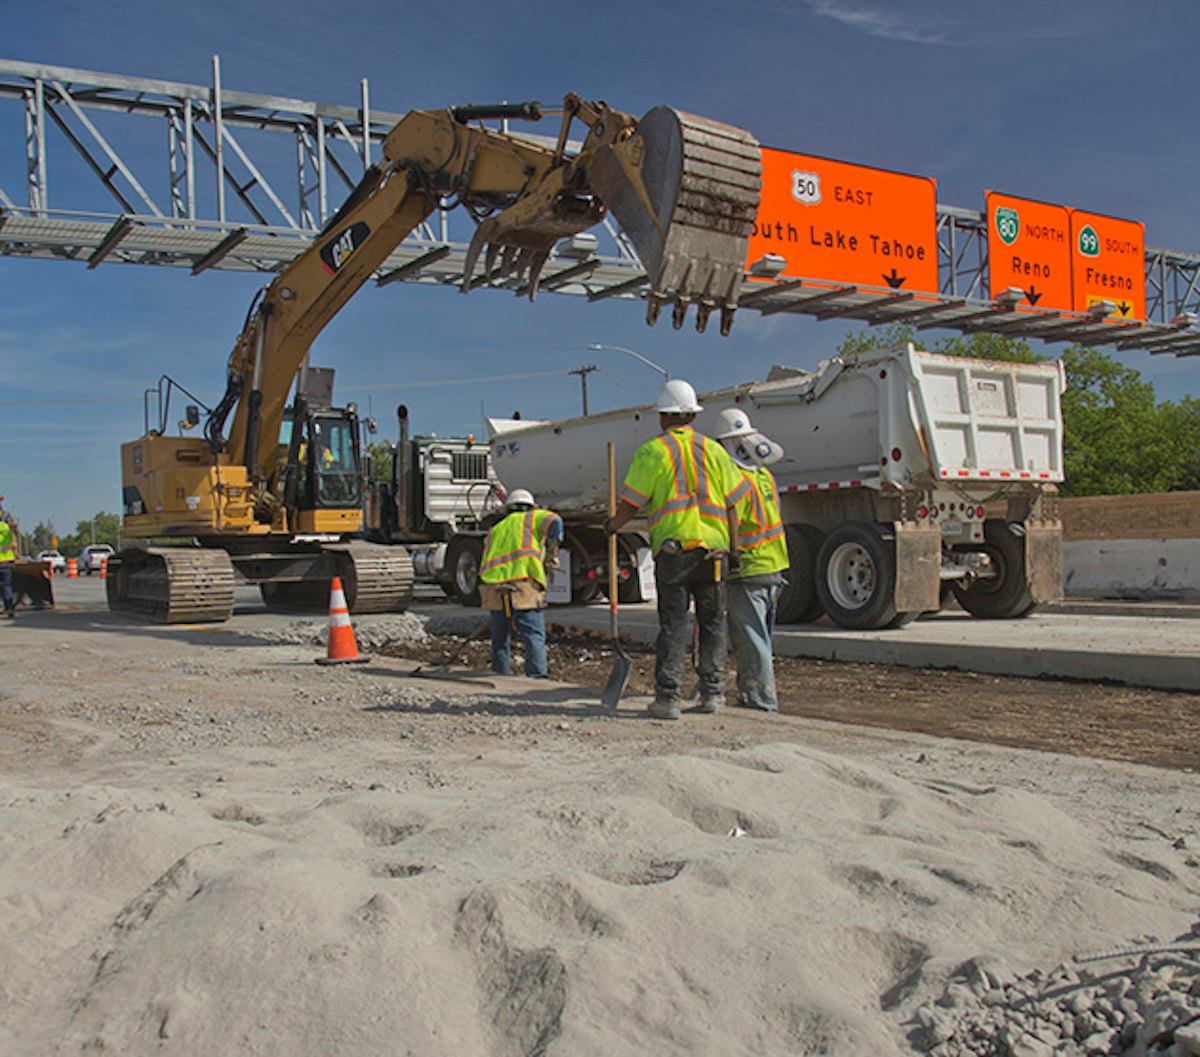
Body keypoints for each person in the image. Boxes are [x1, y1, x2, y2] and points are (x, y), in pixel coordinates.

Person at [604, 379, 750, 719]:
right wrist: (735, 548)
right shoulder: (714, 450)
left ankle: (668, 698)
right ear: (692, 416)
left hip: (675, 553)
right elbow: (733, 504)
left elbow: (631, 503)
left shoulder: (653, 451)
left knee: (674, 624)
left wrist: (612, 525)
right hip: (714, 553)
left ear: (663, 417)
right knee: (713, 623)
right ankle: (712, 694)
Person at [713, 408, 790, 712]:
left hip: (748, 568)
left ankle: (761, 699)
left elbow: (731, 521)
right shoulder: (764, 476)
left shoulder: (733, 479)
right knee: (762, 640)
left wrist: (728, 555)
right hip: (774, 566)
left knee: (752, 641)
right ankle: (751, 692)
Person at [478, 488, 562, 679]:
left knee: (500, 636)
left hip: (495, 587)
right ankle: (537, 678)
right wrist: (553, 552)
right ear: (530, 507)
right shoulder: (532, 518)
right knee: (533, 635)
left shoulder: (496, 529)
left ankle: (501, 673)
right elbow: (555, 521)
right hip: (523, 586)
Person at [0, 514, 16, 620]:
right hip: (7, 562)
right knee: (7, 586)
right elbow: (13, 544)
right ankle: (9, 607)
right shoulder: (6, 528)